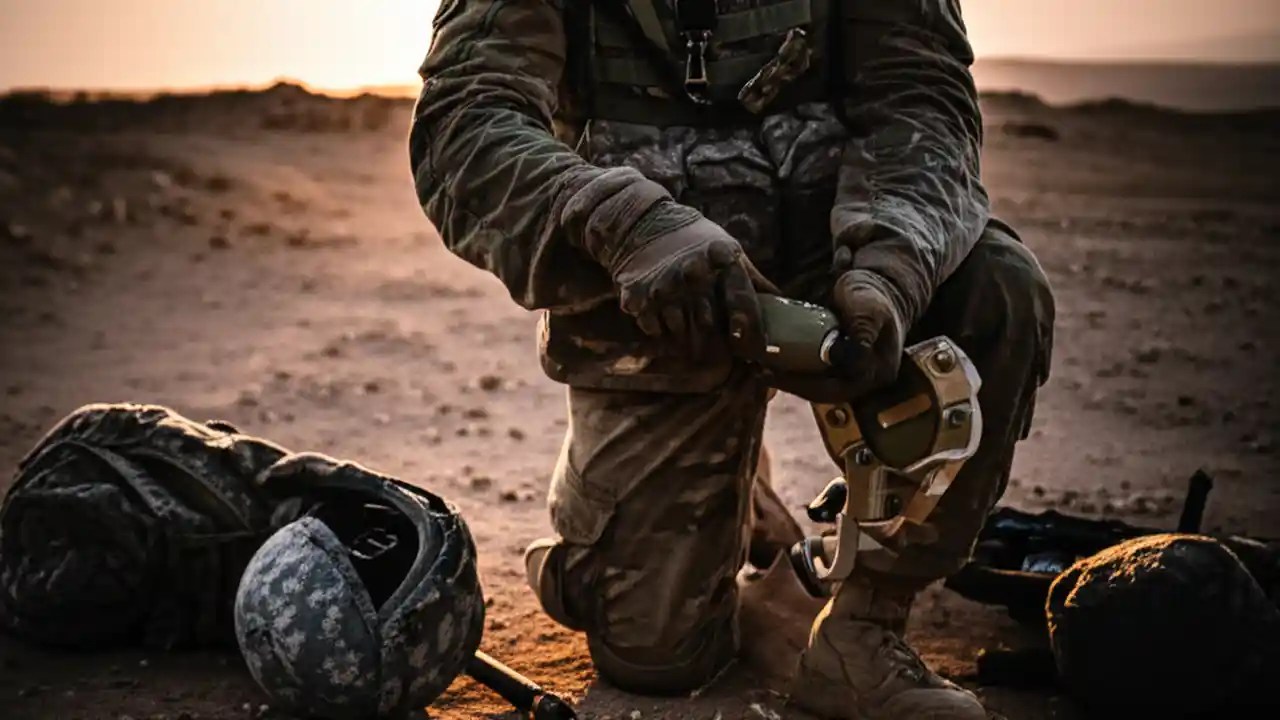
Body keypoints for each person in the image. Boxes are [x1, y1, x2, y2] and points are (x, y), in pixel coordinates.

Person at [410, 1, 1055, 717]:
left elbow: (920, 94)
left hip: (836, 257)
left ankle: (866, 626)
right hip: (651, 290)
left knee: (998, 291)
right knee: (657, 655)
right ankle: (680, 511)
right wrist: (620, 223)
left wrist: (891, 262)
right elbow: (465, 124)